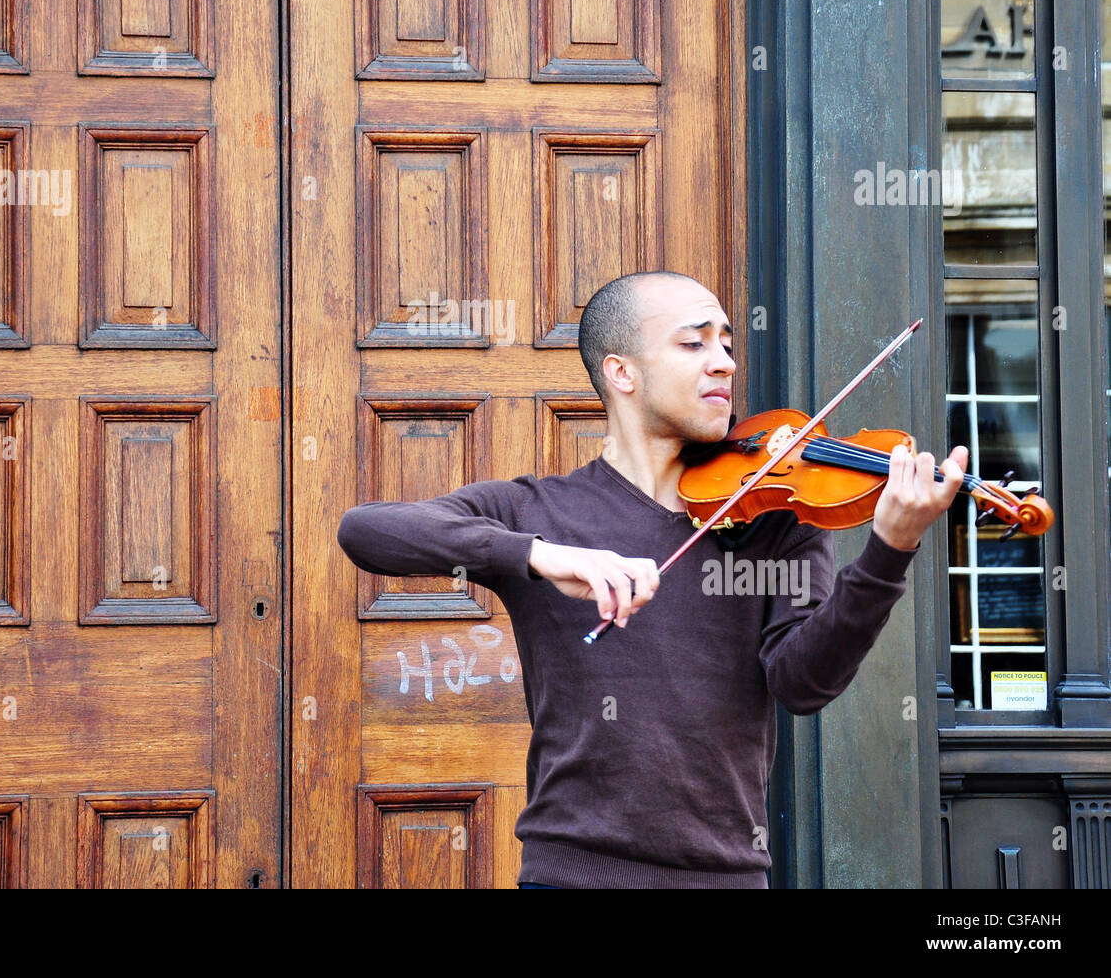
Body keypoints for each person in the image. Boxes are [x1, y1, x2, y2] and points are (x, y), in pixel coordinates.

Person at [336, 271, 967, 889]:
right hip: (574, 873)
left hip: (730, 875)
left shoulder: (775, 514)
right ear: (622, 372)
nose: (721, 361)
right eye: (693, 343)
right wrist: (543, 556)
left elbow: (803, 683)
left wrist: (890, 548)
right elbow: (366, 531)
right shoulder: (538, 512)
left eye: (726, 343)